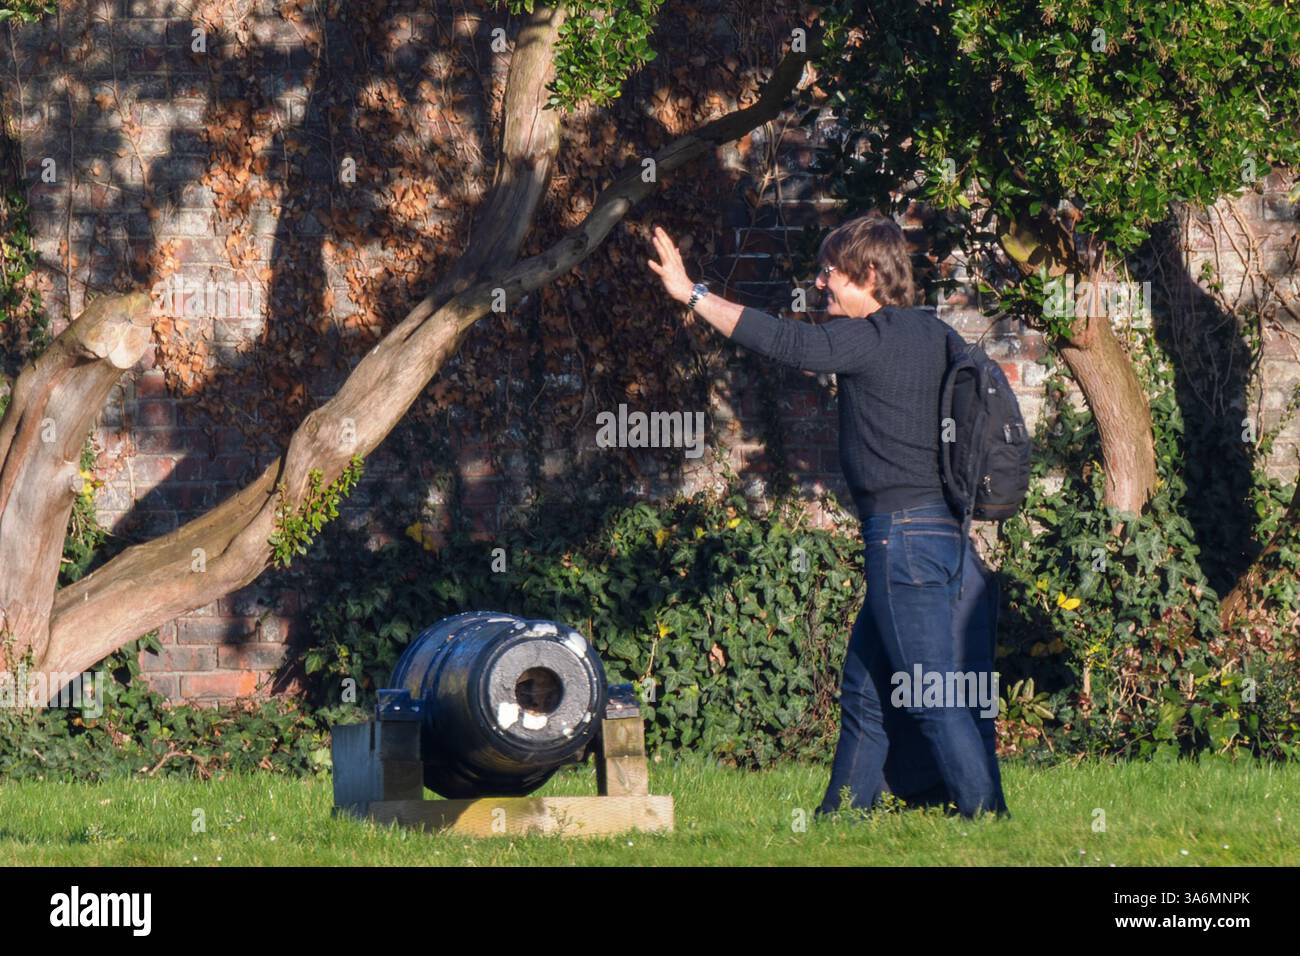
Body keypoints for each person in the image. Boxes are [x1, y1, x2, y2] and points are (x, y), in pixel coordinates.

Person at [646, 215, 1009, 819]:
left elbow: (785, 342)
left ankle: (987, 817)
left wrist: (693, 294)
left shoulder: (869, 336)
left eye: (829, 273)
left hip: (903, 539)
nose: (820, 285)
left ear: (868, 275)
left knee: (929, 691)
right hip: (941, 537)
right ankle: (840, 820)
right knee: (866, 693)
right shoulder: (935, 336)